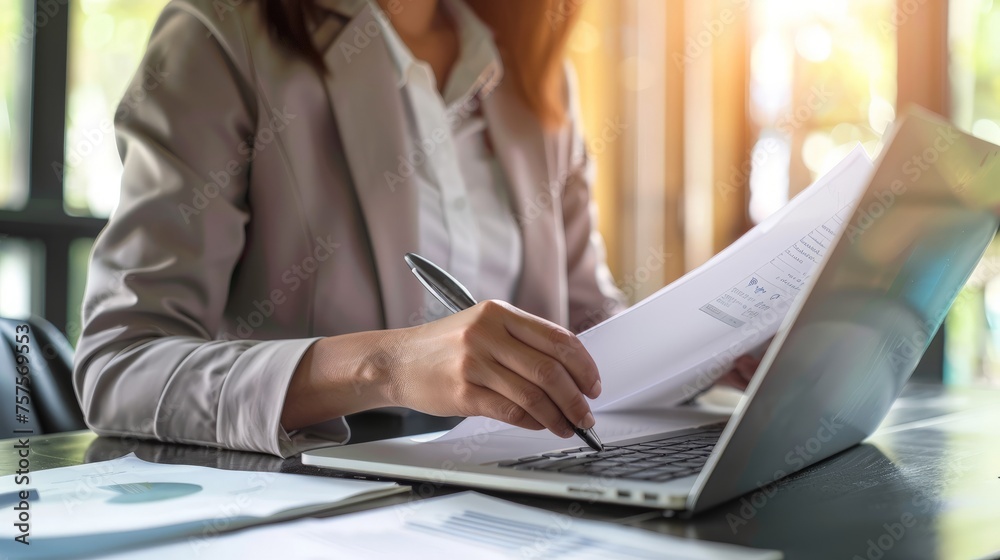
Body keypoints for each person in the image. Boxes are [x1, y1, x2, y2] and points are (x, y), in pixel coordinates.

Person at [73, 0, 753, 458]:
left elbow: (585, 320)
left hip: (528, 498)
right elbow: (121, 364)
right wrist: (386, 367)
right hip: (324, 518)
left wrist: (722, 340)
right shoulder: (219, 36)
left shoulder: (531, 69)